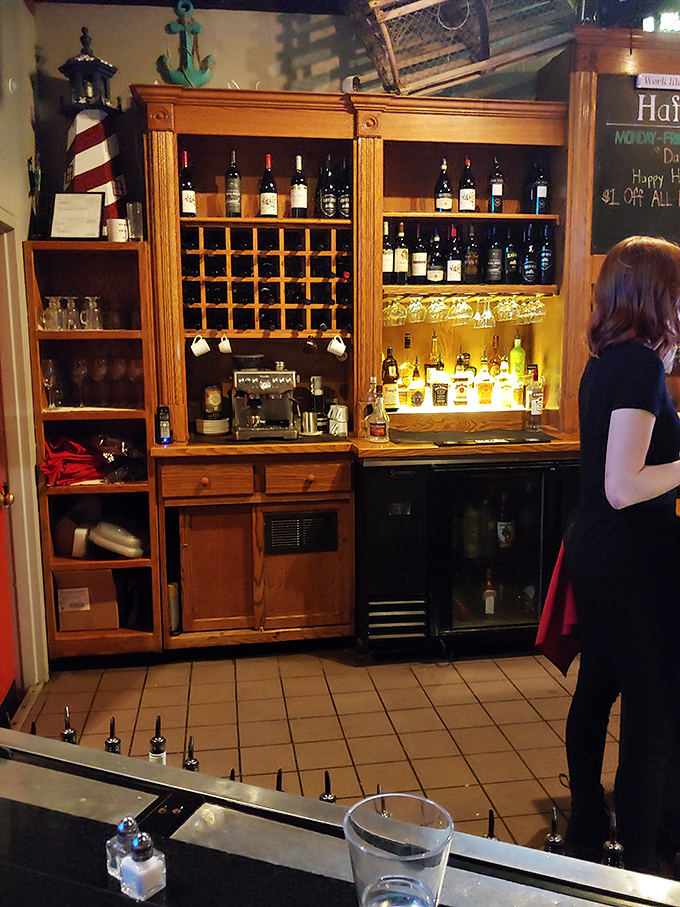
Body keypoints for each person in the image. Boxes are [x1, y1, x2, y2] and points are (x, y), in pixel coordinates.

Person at [563, 235, 680, 874]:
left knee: (598, 688)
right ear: (657, 295)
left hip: (597, 551)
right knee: (654, 711)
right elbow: (625, 483)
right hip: (627, 559)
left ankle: (587, 822)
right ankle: (637, 863)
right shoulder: (639, 365)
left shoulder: (606, 359)